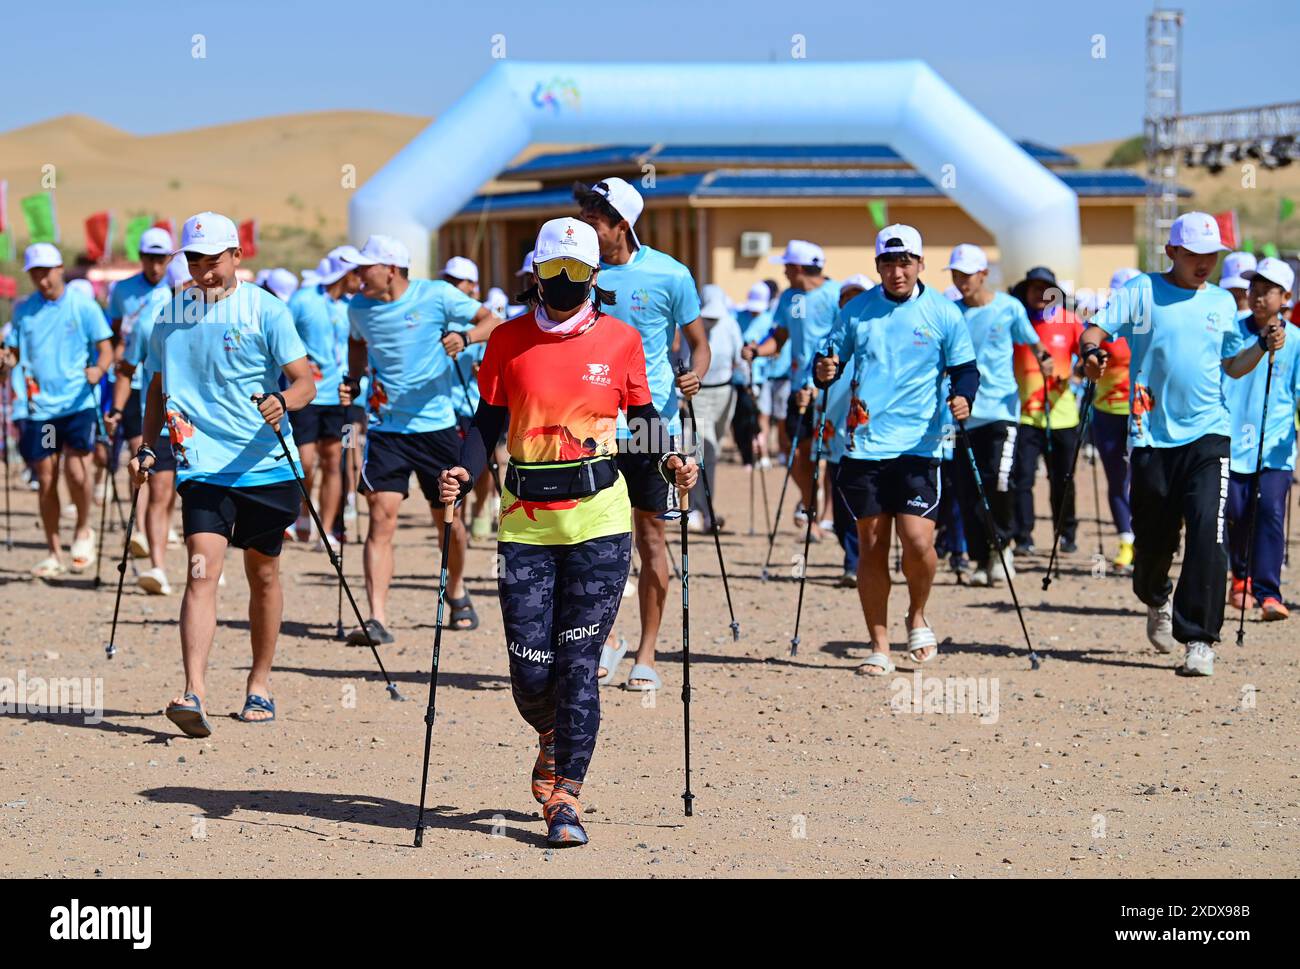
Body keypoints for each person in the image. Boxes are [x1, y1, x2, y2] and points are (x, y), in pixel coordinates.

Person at [437, 217, 697, 846]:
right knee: (530, 669)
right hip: (526, 523)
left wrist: (671, 458)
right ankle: (552, 734)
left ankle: (566, 798)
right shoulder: (506, 341)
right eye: (552, 272)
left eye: (576, 273)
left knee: (578, 664)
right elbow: (487, 422)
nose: (563, 283)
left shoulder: (621, 341)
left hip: (599, 522)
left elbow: (643, 419)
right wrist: (462, 471)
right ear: (536, 273)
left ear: (593, 276)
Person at [127, 211, 317, 735]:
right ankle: (194, 692)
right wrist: (149, 446)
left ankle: (259, 683)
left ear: (236, 256)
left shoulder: (266, 310)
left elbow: (305, 383)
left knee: (263, 574)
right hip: (203, 465)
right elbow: (155, 387)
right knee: (200, 571)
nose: (204, 272)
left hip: (265, 465)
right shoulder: (170, 313)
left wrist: (282, 399)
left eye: (213, 261)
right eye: (194, 261)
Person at [1082, 212, 1284, 676]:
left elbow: (1233, 366)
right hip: (1151, 435)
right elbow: (1095, 330)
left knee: (1208, 533)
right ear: (1172, 251)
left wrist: (1260, 349)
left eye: (1211, 255)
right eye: (1194, 254)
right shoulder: (1141, 292)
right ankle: (1155, 596)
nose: (1204, 263)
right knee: (1153, 541)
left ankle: (1198, 638)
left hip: (1210, 434)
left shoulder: (1219, 302)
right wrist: (1091, 353)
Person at [814, 225, 978, 675]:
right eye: (888, 262)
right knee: (871, 544)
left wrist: (964, 396)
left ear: (921, 264)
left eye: (905, 262)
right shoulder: (857, 311)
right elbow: (828, 361)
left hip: (920, 446)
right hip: (864, 446)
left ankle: (917, 614)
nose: (896, 271)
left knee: (920, 541)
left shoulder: (943, 313)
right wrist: (824, 370)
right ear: (878, 267)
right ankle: (879, 644)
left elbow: (966, 370)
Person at [572, 177, 710, 690]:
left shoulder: (671, 275)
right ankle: (606, 638)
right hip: (589, 426)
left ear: (622, 225)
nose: (585, 227)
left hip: (650, 426)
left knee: (651, 538)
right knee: (590, 538)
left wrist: (696, 373)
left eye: (595, 220)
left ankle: (647, 653)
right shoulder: (576, 273)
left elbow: (699, 343)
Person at [340, 234, 502, 643]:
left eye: (365, 267)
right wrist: (354, 378)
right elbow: (357, 343)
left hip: (436, 428)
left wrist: (465, 338)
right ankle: (376, 618)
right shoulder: (358, 307)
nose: (358, 274)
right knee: (381, 517)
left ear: (390, 269)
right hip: (386, 429)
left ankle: (457, 590)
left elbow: (492, 321)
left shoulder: (436, 295)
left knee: (449, 523)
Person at [1, 244, 112, 577]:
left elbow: (105, 349)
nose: (42, 279)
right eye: (35, 273)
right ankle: (53, 551)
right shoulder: (24, 310)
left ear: (60, 268)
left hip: (77, 403)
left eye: (46, 271)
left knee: (77, 471)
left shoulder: (83, 306)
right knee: (47, 477)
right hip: (42, 409)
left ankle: (82, 529)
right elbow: (15, 352)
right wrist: (7, 360)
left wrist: (99, 370)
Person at [946, 244, 1048, 585]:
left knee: (1001, 480)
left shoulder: (1008, 307)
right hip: (963, 415)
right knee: (968, 488)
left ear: (983, 274)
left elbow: (1032, 341)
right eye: (956, 275)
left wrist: (1044, 359)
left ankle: (1004, 545)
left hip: (1002, 411)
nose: (962, 282)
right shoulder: (951, 313)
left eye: (967, 275)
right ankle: (980, 558)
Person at [744, 241, 840, 538]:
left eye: (786, 265)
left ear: (798, 268)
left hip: (833, 389)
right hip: (799, 386)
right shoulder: (788, 297)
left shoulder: (837, 294)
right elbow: (781, 335)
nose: (784, 271)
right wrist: (758, 350)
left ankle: (827, 517)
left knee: (829, 454)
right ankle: (810, 505)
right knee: (793, 450)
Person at [109, 255, 192, 594]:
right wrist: (115, 409)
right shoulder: (152, 323)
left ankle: (202, 564)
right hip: (163, 422)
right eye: (186, 283)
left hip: (207, 428)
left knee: (191, 496)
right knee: (159, 493)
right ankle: (158, 567)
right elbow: (128, 371)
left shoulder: (222, 320)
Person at [1223, 257, 1299, 621]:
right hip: (1231, 442)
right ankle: (1240, 577)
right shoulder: (1232, 329)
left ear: (1286, 296)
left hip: (1276, 447)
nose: (1256, 295)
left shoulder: (1297, 340)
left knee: (1270, 512)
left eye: (1266, 290)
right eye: (1253, 287)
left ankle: (1269, 592)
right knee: (1235, 513)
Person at [286, 247, 361, 547]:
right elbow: (281, 337)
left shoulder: (355, 306)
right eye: (359, 272)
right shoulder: (303, 299)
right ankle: (301, 514)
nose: (364, 278)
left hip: (341, 398)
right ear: (346, 274)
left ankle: (327, 530)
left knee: (335, 461)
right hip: (307, 396)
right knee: (304, 463)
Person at [1010, 266, 1084, 554]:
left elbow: (1090, 351)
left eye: (1045, 288)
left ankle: (1066, 534)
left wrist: (1077, 374)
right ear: (1026, 293)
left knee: (1063, 479)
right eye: (1034, 288)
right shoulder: (1019, 325)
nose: (1040, 294)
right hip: (1025, 416)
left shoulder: (1069, 321)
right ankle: (1023, 537)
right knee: (1022, 479)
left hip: (1063, 417)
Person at [821, 274, 874, 586]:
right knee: (841, 510)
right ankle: (852, 554)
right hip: (833, 434)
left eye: (858, 297)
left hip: (868, 436)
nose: (851, 303)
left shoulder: (876, 337)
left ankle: (857, 563)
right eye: (846, 297)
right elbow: (816, 376)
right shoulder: (830, 340)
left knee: (861, 503)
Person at [1093, 267, 1142, 571]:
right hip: (1107, 413)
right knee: (1117, 479)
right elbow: (1078, 367)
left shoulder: (1151, 324)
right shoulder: (1101, 325)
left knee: (1147, 478)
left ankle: (1151, 537)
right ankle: (1126, 541)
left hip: (1142, 412)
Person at [689, 285, 743, 532]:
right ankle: (694, 508)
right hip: (698, 395)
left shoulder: (730, 324)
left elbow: (739, 357)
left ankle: (706, 508)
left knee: (712, 452)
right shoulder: (691, 324)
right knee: (699, 450)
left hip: (724, 394)